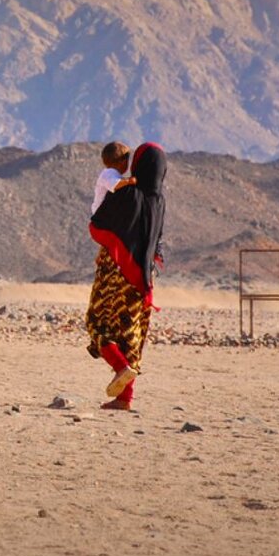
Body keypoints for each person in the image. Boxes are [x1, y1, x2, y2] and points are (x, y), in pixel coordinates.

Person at [85, 142, 167, 411]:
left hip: (116, 272)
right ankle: (125, 398)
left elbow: (99, 223)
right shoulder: (159, 201)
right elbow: (157, 241)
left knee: (99, 323)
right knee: (131, 334)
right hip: (143, 278)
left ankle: (120, 368)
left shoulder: (128, 195)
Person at [91, 141, 136, 215]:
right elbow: (114, 185)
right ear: (123, 162)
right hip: (101, 214)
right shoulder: (109, 173)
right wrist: (129, 181)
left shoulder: (110, 173)